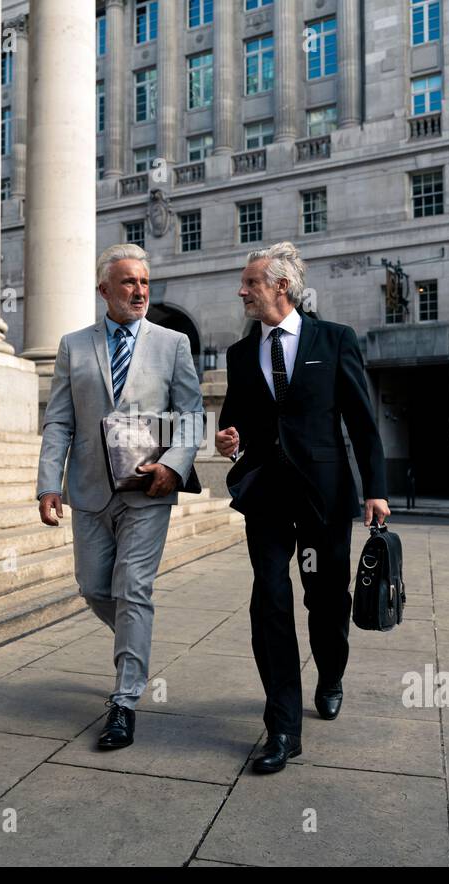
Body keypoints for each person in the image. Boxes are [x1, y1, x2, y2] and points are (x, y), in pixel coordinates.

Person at [215, 242, 390, 773]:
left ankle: (331, 673)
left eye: (250, 282)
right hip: (265, 494)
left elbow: (361, 422)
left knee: (326, 600)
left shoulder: (334, 340)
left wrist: (375, 489)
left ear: (281, 287)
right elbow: (234, 420)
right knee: (269, 600)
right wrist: (228, 440)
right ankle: (283, 727)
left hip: (323, 495)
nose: (242, 291)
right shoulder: (241, 354)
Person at [36, 244, 204, 750]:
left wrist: (173, 467)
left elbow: (192, 415)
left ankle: (124, 701)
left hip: (147, 490)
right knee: (93, 587)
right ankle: (138, 632)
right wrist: (49, 482)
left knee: (133, 590)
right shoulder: (73, 345)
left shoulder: (172, 344)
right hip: (88, 489)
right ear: (104, 289)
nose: (139, 291)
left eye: (145, 283)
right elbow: (60, 419)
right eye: (129, 283)